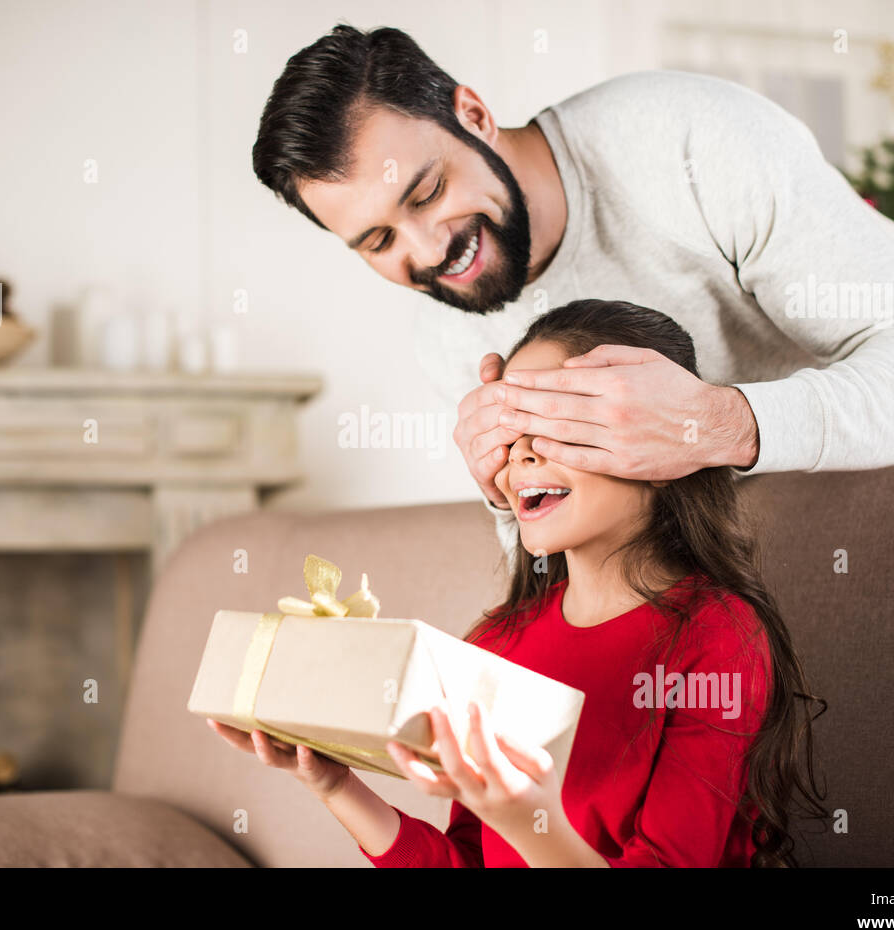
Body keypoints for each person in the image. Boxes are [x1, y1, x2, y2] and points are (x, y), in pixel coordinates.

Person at [251, 25, 894, 552]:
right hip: (763, 509)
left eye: (425, 194)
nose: (429, 252)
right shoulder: (453, 333)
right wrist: (510, 500)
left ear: (475, 114)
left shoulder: (685, 142)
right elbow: (563, 564)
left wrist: (717, 422)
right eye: (379, 240)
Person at [207, 299, 827, 867]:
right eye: (509, 426)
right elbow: (469, 860)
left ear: (662, 450)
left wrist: (527, 819)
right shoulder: (499, 643)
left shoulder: (715, 634)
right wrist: (335, 783)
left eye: (554, 420)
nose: (521, 452)